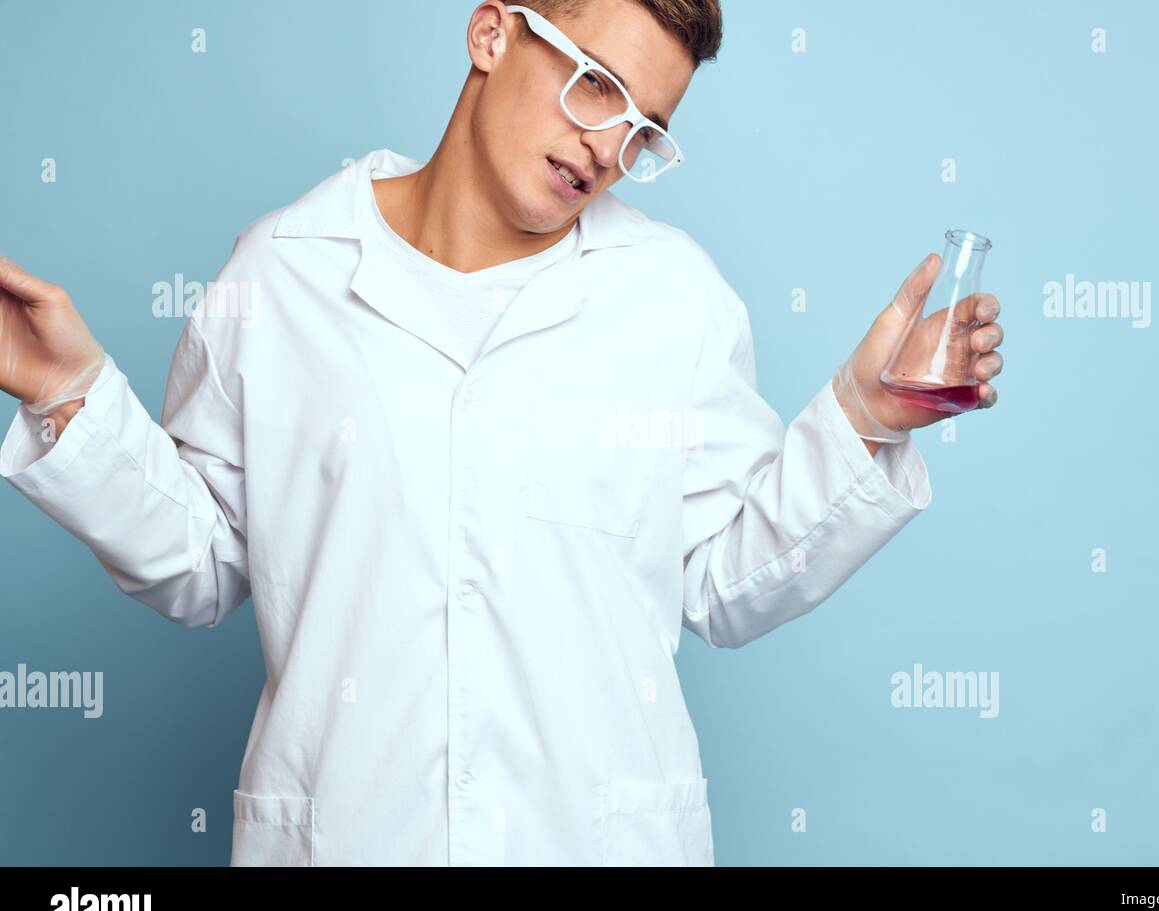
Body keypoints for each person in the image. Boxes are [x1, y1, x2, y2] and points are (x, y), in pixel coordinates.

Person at [0, 0, 1004, 866]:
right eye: (595, 87)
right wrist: (69, 394)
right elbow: (205, 563)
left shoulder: (672, 300)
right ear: (490, 33)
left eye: (645, 128)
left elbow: (723, 583)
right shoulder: (283, 272)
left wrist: (863, 421)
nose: (607, 146)